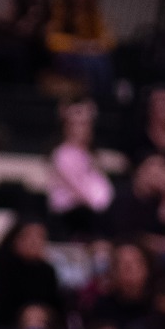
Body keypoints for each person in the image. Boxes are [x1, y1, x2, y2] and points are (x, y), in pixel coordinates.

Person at [48, 100, 114, 238]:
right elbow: (81, 192)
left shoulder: (90, 155)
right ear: (67, 127)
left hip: (89, 214)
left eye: (87, 124)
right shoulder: (62, 154)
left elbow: (99, 185)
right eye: (78, 124)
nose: (84, 129)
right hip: (70, 218)